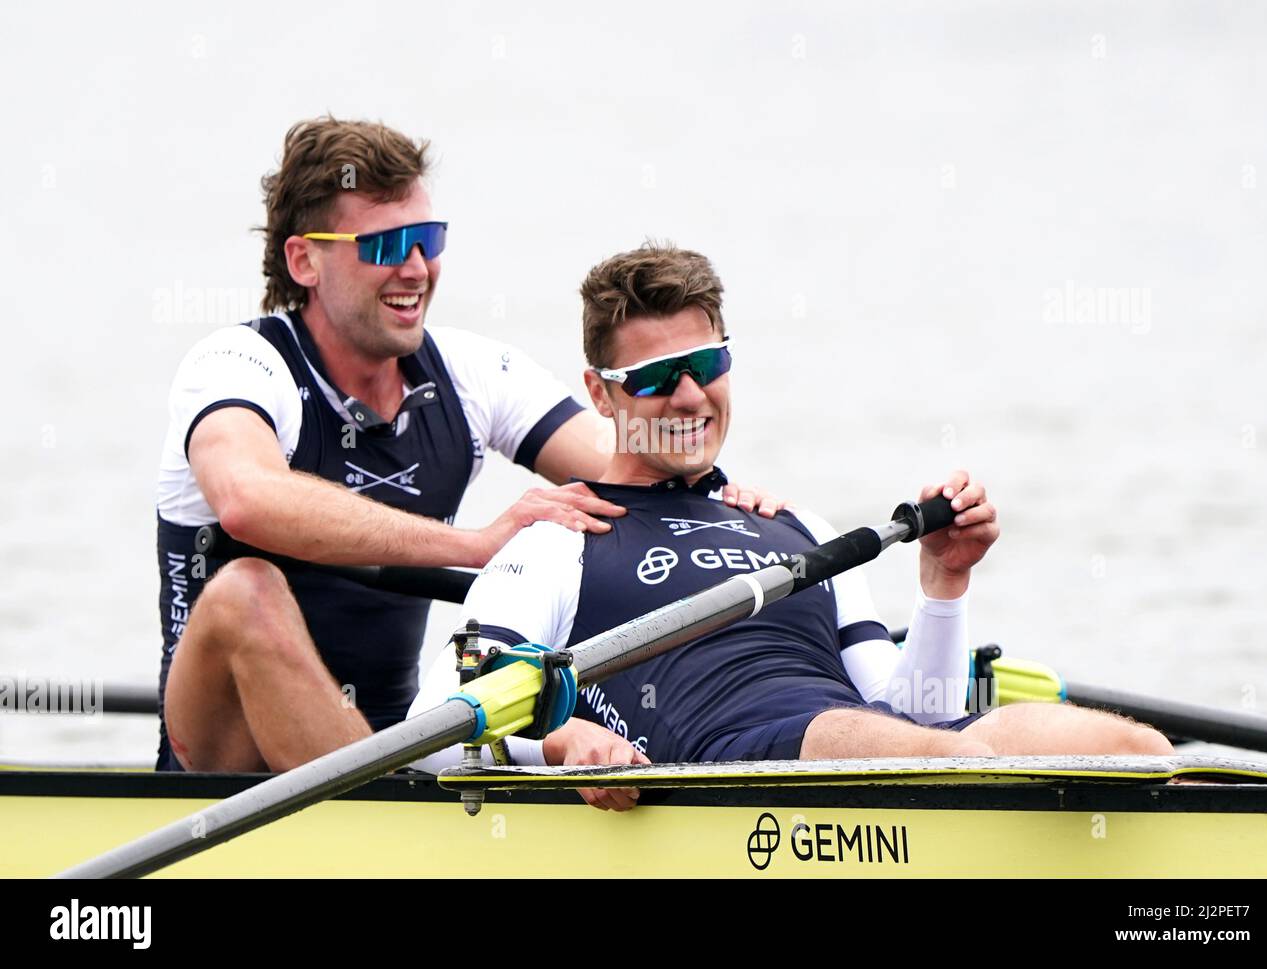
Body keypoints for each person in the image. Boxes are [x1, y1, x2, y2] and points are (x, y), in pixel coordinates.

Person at [407, 243, 1172, 810]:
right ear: (600, 396)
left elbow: (920, 705)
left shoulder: (796, 525)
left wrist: (944, 582)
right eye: (650, 378)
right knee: (951, 758)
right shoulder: (560, 538)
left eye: (705, 366)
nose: (686, 397)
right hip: (745, 765)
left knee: (1143, 753)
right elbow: (440, 710)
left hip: (884, 745)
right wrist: (563, 741)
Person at [154, 119, 780, 773]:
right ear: (303, 259)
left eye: (428, 239)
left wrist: (718, 489)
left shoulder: (469, 372)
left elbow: (631, 464)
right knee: (245, 589)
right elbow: (248, 502)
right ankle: (382, 826)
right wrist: (475, 545)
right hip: (220, 766)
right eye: (386, 244)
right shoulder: (237, 365)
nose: (417, 267)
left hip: (390, 749)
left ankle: (402, 790)